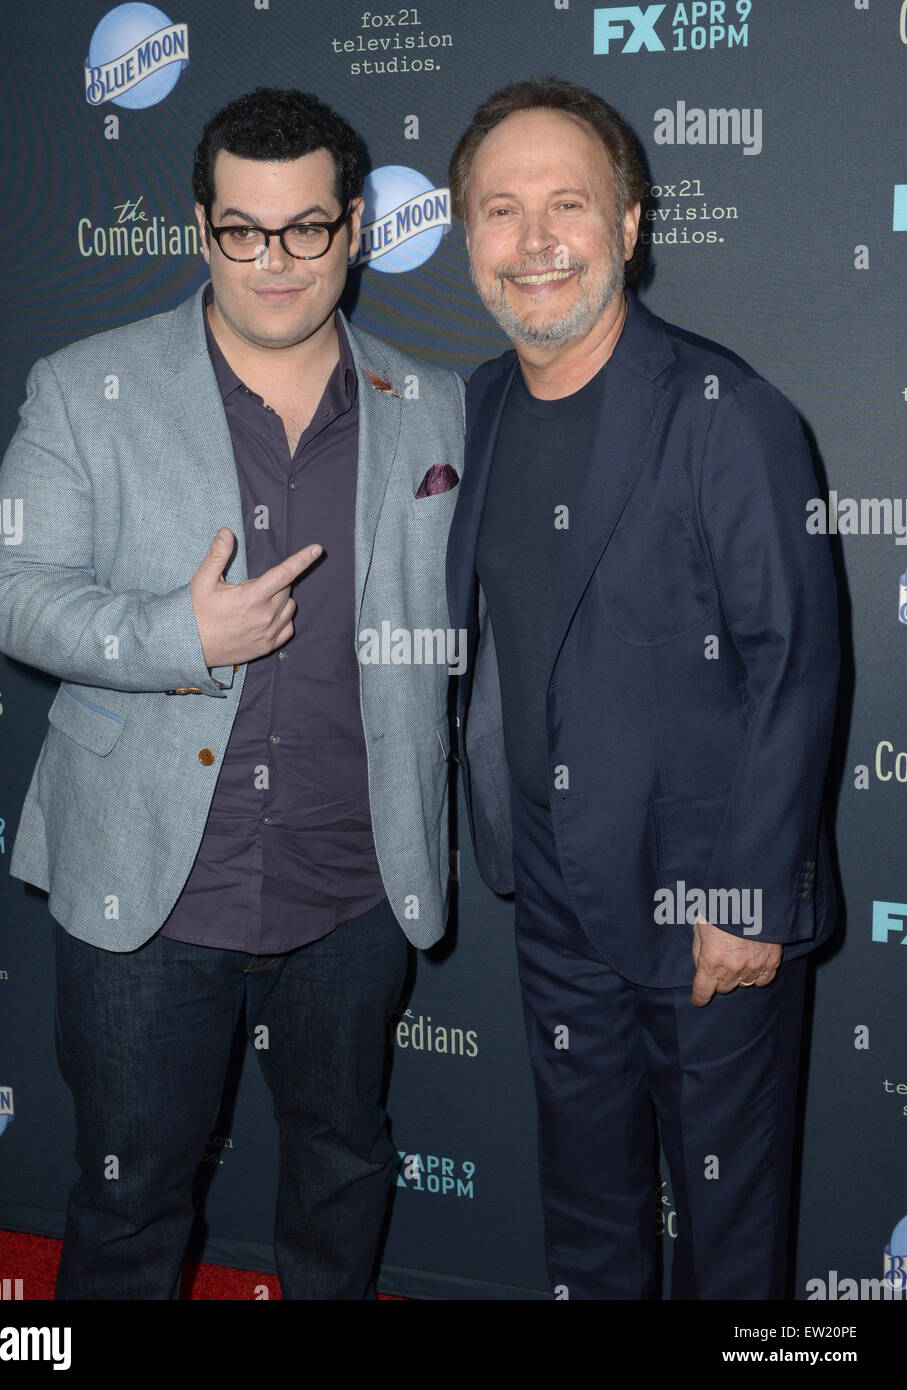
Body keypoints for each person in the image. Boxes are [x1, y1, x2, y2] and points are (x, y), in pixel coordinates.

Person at [0, 88, 464, 1300]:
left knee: (345, 1169)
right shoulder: (85, 386)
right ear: (201, 229)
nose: (276, 260)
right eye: (243, 229)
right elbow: (11, 590)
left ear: (354, 230)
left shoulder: (434, 405)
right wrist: (174, 632)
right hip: (147, 882)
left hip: (353, 879)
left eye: (305, 228)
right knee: (130, 1197)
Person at [446, 77, 840, 1299]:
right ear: (466, 240)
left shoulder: (729, 412)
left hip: (706, 911)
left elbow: (798, 659)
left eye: (569, 203)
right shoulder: (477, 407)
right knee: (588, 1216)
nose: (535, 240)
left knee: (728, 1238)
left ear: (628, 226)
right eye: (501, 211)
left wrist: (753, 899)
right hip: (553, 895)